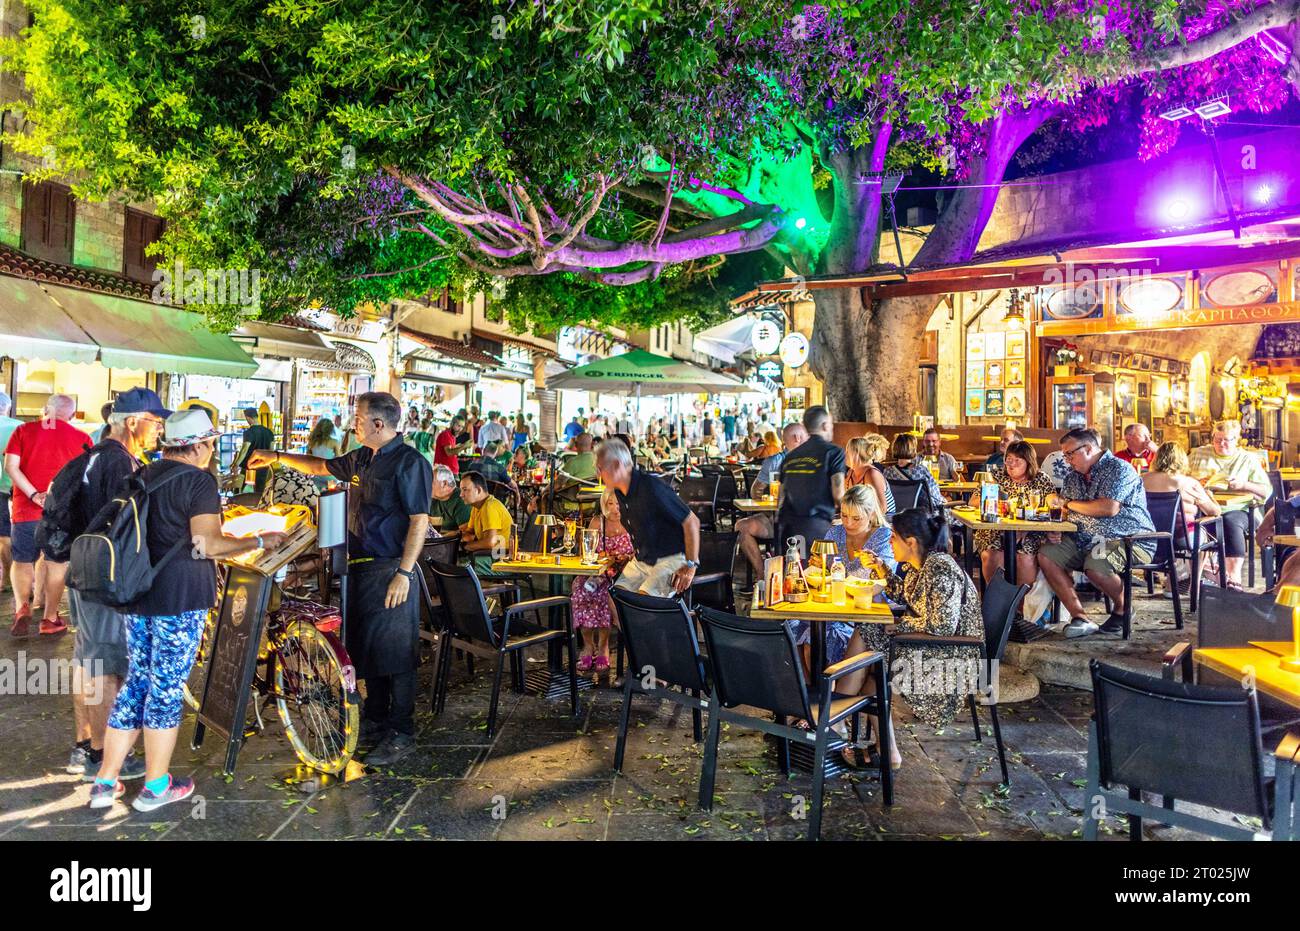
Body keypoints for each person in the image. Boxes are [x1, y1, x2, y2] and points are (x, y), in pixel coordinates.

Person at [89, 409, 289, 810]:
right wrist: (257, 541)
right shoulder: (199, 482)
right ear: (196, 446)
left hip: (139, 593)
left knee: (138, 683)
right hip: (179, 598)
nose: (212, 451)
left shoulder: (145, 474)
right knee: (165, 687)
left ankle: (104, 782)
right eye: (210, 444)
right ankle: (156, 787)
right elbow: (208, 545)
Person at [246, 392, 432, 765]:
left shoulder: (410, 463)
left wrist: (404, 573)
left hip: (391, 566)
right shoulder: (363, 457)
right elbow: (321, 467)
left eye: (359, 418)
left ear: (379, 424)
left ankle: (402, 730)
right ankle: (378, 720)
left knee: (396, 652)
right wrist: (277, 457)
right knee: (370, 649)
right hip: (360, 564)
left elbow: (419, 520)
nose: (353, 424)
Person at [61, 388, 169, 782]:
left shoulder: (94, 454)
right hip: (105, 578)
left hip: (84, 569)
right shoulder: (119, 463)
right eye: (155, 421)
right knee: (105, 666)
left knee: (88, 659)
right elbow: (129, 527)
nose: (159, 429)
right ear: (132, 422)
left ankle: (85, 744)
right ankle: (105, 755)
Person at [839, 508, 983, 770]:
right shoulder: (922, 565)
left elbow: (942, 626)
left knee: (866, 635)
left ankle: (831, 716)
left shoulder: (940, 568)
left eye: (893, 537)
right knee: (870, 665)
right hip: (932, 646)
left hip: (950, 660)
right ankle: (886, 750)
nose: (890, 542)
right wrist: (881, 568)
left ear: (911, 542)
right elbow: (906, 598)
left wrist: (899, 625)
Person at [1038, 428, 1155, 638]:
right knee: (1046, 555)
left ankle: (1124, 607)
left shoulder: (1119, 469)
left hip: (1129, 538)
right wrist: (1056, 527)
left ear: (1089, 448)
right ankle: (1080, 617)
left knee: (1095, 566)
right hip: (1083, 538)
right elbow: (1064, 509)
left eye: (1069, 454)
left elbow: (1107, 508)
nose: (1066, 460)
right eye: (1064, 455)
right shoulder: (1073, 477)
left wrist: (1069, 504)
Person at [4, 393, 90, 636]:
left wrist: (34, 495)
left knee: (22, 561)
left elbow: (10, 467)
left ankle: (22, 606)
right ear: (72, 415)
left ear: (45, 410)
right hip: (62, 514)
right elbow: (85, 478)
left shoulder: (24, 431)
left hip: (26, 511)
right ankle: (50, 618)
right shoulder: (82, 439)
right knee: (56, 563)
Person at [790, 484, 895, 668]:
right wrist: (820, 567)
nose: (848, 523)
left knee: (815, 638)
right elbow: (825, 571)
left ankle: (824, 690)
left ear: (871, 514)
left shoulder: (884, 537)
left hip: (866, 611)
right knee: (795, 626)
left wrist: (834, 573)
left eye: (856, 518)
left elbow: (874, 584)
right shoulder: (835, 532)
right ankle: (809, 692)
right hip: (834, 606)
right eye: (844, 516)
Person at [597, 439, 700, 597]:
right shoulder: (619, 492)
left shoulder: (651, 486)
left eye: (600, 468)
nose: (598, 474)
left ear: (617, 465)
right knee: (616, 596)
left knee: (642, 602)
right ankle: (623, 623)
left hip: (670, 558)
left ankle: (647, 621)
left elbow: (692, 521)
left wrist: (691, 565)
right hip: (643, 559)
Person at [1188, 419, 1271, 589]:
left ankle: (1234, 577)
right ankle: (1197, 574)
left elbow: (1266, 491)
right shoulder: (1198, 453)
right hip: (1204, 508)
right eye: (1217, 439)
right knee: (1188, 520)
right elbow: (1180, 476)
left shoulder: (1247, 459)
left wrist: (1244, 485)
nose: (1221, 444)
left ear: (1237, 440)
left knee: (1230, 521)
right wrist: (1195, 482)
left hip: (1239, 510)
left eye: (1226, 439)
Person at [968, 440, 1056, 585]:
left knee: (1025, 559)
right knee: (992, 555)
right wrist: (1000, 502)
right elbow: (973, 501)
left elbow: (1052, 506)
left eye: (1017, 460)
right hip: (996, 530)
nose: (1011, 464)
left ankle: (1020, 605)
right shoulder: (996, 476)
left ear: (1029, 462)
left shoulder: (1041, 479)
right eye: (1009, 459)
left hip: (1031, 532)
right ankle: (998, 602)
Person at [570, 490, 635, 678]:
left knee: (607, 594)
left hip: (624, 575)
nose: (615, 509)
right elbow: (587, 551)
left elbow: (639, 552)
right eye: (610, 504)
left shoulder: (631, 522)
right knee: (582, 590)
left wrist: (626, 557)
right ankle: (588, 645)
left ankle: (604, 646)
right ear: (604, 505)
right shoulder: (598, 523)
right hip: (598, 573)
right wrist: (604, 557)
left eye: (618, 504)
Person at [1142, 442, 1221, 587]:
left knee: (1188, 532)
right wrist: (1209, 497)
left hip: (1148, 537)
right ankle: (1194, 585)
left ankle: (1172, 583)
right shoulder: (1189, 483)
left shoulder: (1141, 480)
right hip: (1181, 538)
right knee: (1200, 536)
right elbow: (1214, 512)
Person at [738, 422, 808, 579]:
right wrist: (767, 508)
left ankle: (798, 575)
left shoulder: (814, 461)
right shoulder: (774, 461)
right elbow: (756, 490)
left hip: (804, 523)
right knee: (742, 527)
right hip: (776, 519)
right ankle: (763, 573)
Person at [776, 406, 846, 557]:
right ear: (825, 425)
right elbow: (838, 494)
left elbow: (781, 496)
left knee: (791, 572)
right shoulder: (833, 452)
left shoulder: (790, 456)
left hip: (787, 524)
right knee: (816, 574)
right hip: (816, 525)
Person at [458, 470, 513, 576]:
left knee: (457, 565)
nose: (461, 495)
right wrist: (452, 537)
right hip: (489, 555)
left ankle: (473, 592)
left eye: (465, 490)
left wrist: (466, 546)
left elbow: (490, 542)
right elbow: (469, 533)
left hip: (500, 559)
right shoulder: (477, 507)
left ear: (478, 490)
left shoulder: (490, 507)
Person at [882, 432, 943, 510]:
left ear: (894, 448)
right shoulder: (921, 471)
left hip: (895, 517)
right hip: (919, 516)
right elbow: (937, 498)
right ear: (913, 450)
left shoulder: (887, 472)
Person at [0, 391, 20, 598]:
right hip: (19, 487)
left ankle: (5, 579)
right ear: (7, 407)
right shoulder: (19, 426)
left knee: (3, 534)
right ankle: (17, 578)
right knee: (17, 533)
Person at [229, 407, 276, 496]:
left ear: (247, 418)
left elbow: (244, 449)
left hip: (249, 466)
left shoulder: (249, 432)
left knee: (241, 491)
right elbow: (271, 451)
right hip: (263, 466)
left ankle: (239, 507)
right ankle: (258, 507)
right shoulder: (269, 432)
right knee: (260, 491)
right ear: (257, 416)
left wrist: (236, 464)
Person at [845, 436, 894, 517]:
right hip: (863, 517)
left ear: (856, 454)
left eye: (847, 451)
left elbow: (882, 508)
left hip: (884, 518)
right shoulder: (850, 473)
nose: (845, 454)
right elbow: (846, 501)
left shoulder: (872, 473)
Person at [429, 463, 472, 531]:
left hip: (452, 541)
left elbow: (466, 534)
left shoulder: (462, 500)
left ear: (444, 483)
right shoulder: (434, 499)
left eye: (430, 482)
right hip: (437, 539)